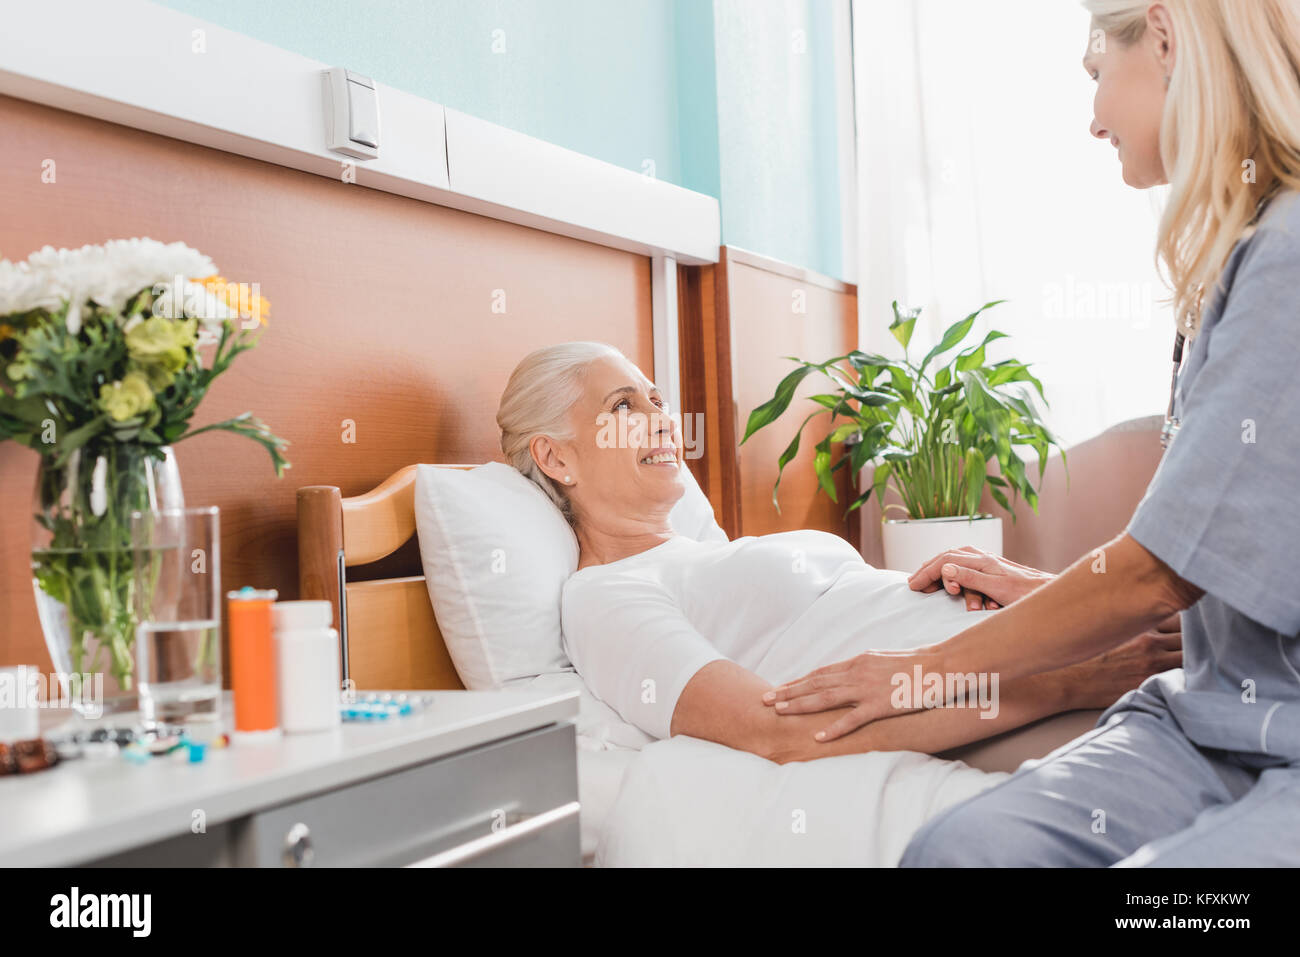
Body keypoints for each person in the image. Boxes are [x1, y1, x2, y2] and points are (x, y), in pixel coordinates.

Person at [765, 0, 1300, 866]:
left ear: (1163, 39)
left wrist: (918, 671)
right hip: (1214, 712)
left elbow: (1156, 574)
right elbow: (1206, 556)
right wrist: (1054, 594)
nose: (1093, 120)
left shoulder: (1287, 255)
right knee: (959, 852)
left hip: (1273, 729)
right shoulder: (1250, 250)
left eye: (1096, 77)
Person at [495, 341, 1179, 766]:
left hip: (1072, 647)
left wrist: (1050, 602)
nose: (664, 419)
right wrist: (1070, 676)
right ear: (555, 456)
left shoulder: (709, 555)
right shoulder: (603, 595)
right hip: (1039, 695)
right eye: (625, 405)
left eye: (658, 399)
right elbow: (775, 732)